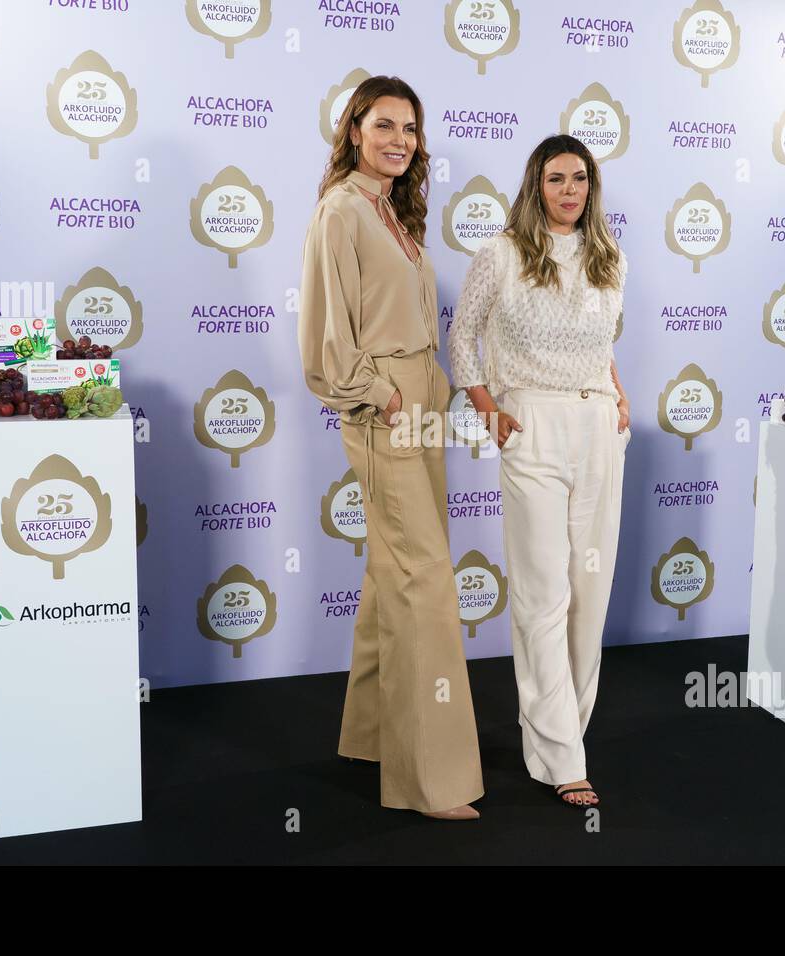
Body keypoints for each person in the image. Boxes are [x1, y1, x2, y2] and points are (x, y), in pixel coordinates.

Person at [297, 75, 484, 821]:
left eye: (410, 128)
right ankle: (425, 781)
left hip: (421, 398)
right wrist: (384, 395)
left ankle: (373, 737)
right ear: (353, 131)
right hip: (386, 405)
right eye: (384, 125)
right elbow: (325, 341)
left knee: (393, 571)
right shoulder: (340, 211)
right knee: (426, 581)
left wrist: (426, 390)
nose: (399, 140)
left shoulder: (390, 212)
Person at [449, 134, 629, 808]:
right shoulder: (500, 254)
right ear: (535, 185)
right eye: (556, 178)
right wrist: (489, 406)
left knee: (590, 593)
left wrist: (619, 390)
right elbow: (462, 334)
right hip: (532, 424)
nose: (569, 190)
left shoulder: (611, 258)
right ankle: (561, 758)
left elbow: (604, 338)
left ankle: (562, 733)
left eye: (580, 178)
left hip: (599, 426)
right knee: (542, 594)